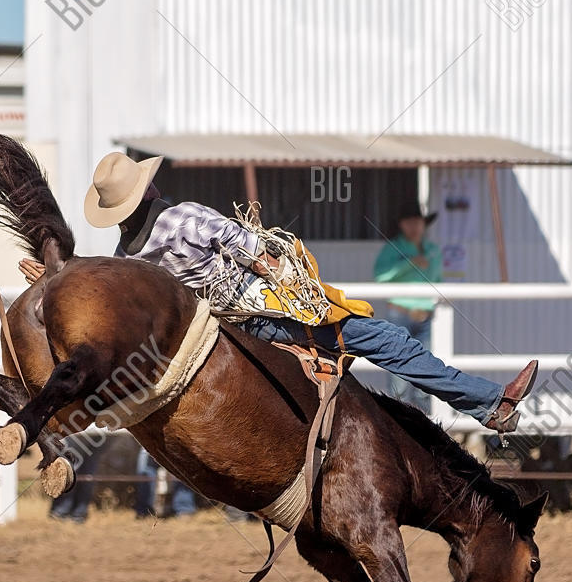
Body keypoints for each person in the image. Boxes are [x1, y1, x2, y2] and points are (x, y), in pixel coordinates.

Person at [80, 152, 537, 432]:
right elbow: (249, 244)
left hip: (216, 329)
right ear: (147, 190)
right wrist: (275, 264)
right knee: (389, 342)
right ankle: (491, 405)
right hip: (261, 309)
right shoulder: (183, 216)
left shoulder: (129, 257)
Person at [373, 200, 443, 411]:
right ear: (402, 225)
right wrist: (409, 263)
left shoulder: (433, 250)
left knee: (425, 375)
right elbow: (381, 276)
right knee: (399, 375)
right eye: (409, 222)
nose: (414, 227)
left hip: (425, 316)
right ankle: (399, 423)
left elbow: (437, 280)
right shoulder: (392, 248)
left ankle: (426, 428)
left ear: (424, 224)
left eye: (418, 222)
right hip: (400, 314)